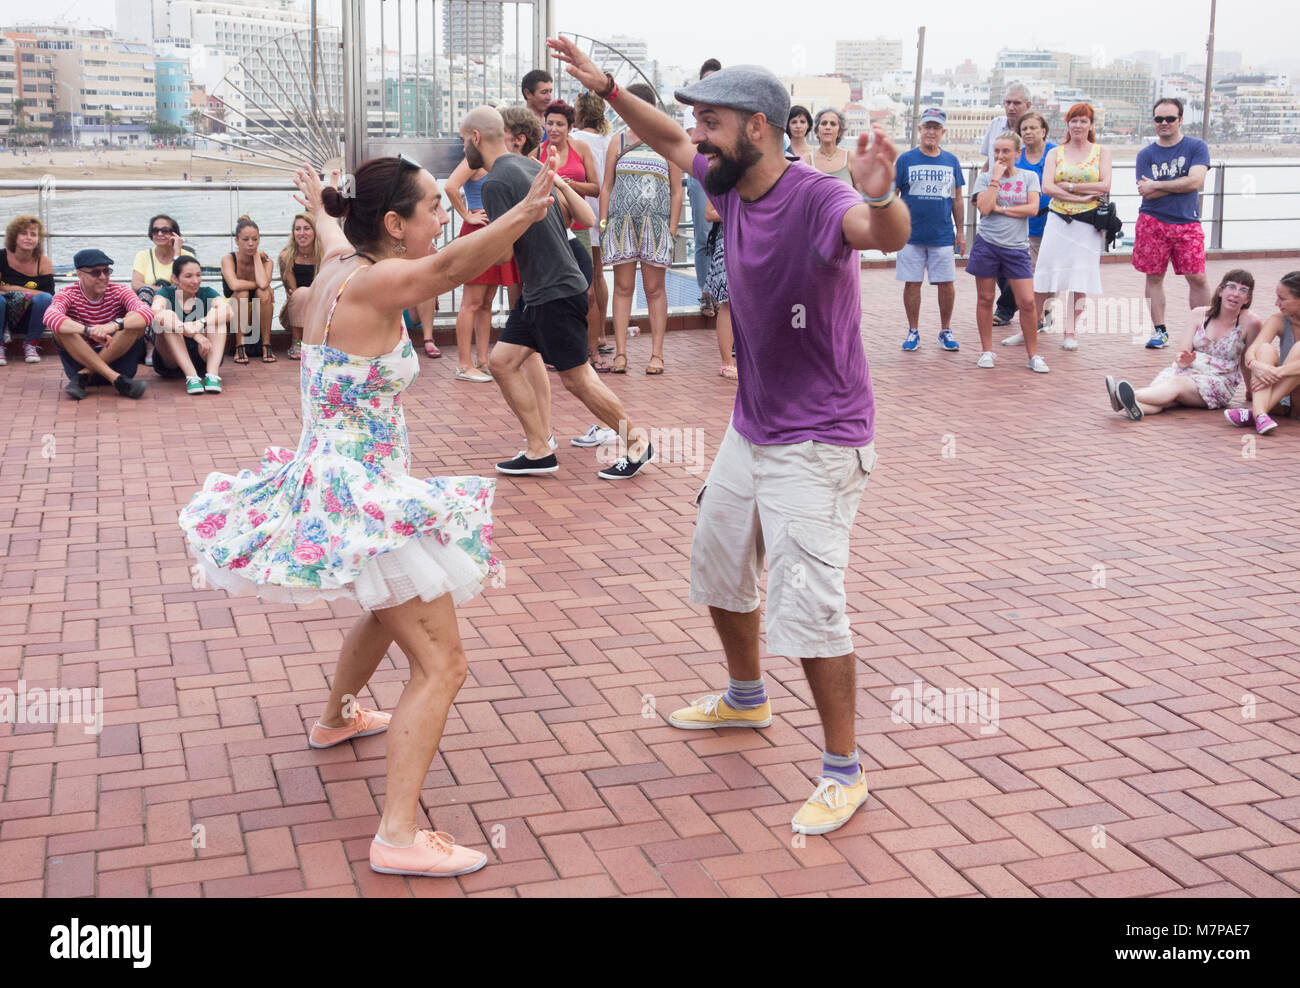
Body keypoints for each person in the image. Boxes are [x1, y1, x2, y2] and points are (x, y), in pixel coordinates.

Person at [550, 39, 910, 835]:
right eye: (696, 122)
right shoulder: (730, 180)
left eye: (711, 123)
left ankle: (844, 771)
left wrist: (882, 198)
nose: (696, 137)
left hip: (819, 440)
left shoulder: (816, 198)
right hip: (753, 427)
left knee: (811, 607)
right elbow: (664, 139)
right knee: (718, 565)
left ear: (757, 127)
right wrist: (608, 88)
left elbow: (877, 233)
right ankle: (748, 701)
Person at [180, 153, 560, 878]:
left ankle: (337, 718)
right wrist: (522, 214)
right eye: (431, 209)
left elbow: (331, 230)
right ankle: (396, 835)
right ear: (394, 224)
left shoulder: (337, 266)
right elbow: (448, 270)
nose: (441, 216)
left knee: (383, 604)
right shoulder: (381, 280)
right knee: (443, 663)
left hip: (336, 478)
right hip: (360, 493)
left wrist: (318, 202)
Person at [464, 105, 655, 480]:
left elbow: (503, 250)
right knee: (502, 362)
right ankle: (539, 450)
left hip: (555, 288)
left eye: (462, 140)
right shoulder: (529, 166)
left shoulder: (496, 183)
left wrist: (465, 256)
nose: (463, 149)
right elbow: (580, 218)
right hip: (542, 288)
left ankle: (637, 443)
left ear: (475, 138)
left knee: (576, 379)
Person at [600, 83, 682, 376]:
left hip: (656, 227)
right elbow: (607, 186)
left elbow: (676, 190)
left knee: (654, 289)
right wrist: (603, 222)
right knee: (623, 288)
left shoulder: (667, 142)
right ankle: (620, 353)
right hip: (622, 225)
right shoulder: (618, 141)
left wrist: (672, 228)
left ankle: (656, 354)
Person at [1106, 269, 1260, 422]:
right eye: (1231, 287)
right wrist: (1183, 360)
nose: (1235, 293)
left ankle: (1128, 394)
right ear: (1220, 291)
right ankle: (1129, 403)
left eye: (1243, 290)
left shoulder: (1251, 323)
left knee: (1175, 385)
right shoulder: (1198, 314)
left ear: (1247, 299)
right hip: (1185, 369)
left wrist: (1250, 390)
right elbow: (1182, 352)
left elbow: (1247, 360)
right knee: (1164, 399)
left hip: (1218, 381)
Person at [1134, 97, 1211, 349]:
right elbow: (1147, 193)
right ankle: (1160, 331)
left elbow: (1195, 181)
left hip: (1187, 223)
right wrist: (1179, 183)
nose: (1164, 123)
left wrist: (1157, 184)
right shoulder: (1146, 154)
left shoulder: (1196, 147)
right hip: (1152, 222)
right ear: (1154, 121)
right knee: (1154, 277)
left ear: (1180, 120)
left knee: (1197, 277)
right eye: (1159, 119)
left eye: (1169, 118)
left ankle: (1203, 330)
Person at [1032, 103, 1110, 351]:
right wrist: (1079, 197)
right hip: (1058, 219)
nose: (1078, 125)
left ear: (1091, 125)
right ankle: (1035, 323)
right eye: (1074, 120)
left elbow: (1105, 185)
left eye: (1083, 121)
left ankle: (1070, 332)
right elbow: (1047, 187)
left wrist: (1071, 187)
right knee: (1044, 271)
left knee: (1080, 276)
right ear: (1067, 124)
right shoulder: (1056, 152)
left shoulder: (1101, 152)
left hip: (1087, 224)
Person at [968, 132, 1046, 372]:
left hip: (1017, 247)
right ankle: (987, 351)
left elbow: (1033, 209)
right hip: (988, 244)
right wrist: (994, 180)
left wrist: (1000, 208)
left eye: (1006, 152)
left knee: (1027, 301)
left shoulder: (1029, 176)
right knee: (986, 298)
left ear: (1017, 153)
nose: (1001, 157)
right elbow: (983, 207)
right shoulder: (984, 178)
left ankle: (1033, 355)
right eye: (997, 152)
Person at [895, 107, 964, 353]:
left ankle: (945, 330)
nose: (931, 132)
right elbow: (893, 197)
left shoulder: (951, 161)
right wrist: (891, 230)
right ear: (919, 129)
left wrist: (961, 231)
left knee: (946, 284)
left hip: (943, 235)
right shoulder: (905, 160)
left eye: (936, 127)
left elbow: (957, 199)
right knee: (912, 284)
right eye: (928, 127)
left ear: (943, 131)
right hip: (910, 235)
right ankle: (913, 330)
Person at [444, 152, 519, 382]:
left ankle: (483, 361)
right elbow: (450, 187)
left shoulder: (500, 158)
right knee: (472, 301)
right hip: (479, 230)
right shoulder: (474, 159)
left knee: (486, 302)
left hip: (497, 231)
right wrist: (467, 215)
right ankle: (464, 364)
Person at [44, 248, 154, 400]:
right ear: (79, 274)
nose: (103, 277)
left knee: (135, 321)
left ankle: (86, 374)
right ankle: (116, 380)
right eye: (96, 272)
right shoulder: (66, 294)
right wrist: (88, 331)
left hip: (100, 369)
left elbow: (147, 313)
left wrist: (113, 326)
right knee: (60, 329)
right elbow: (49, 316)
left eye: (107, 271)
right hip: (82, 361)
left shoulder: (120, 290)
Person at [1001, 111, 1056, 346]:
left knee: (1052, 271)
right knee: (1030, 273)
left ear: (1043, 130)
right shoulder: (1018, 157)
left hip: (1056, 223)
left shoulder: (1054, 153)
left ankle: (1044, 313)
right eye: (1024, 129)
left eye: (1034, 128)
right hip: (1025, 225)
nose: (1029, 133)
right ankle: (1036, 318)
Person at [981, 83, 1032, 327]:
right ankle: (1008, 306)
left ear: (1027, 106)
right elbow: (987, 161)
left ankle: (1006, 308)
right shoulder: (995, 125)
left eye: (1017, 103)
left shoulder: (1032, 128)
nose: (1011, 107)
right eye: (1008, 102)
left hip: (1021, 197)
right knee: (994, 252)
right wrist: (982, 188)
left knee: (1019, 256)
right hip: (992, 193)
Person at [569, 91, 614, 366]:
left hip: (582, 209)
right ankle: (602, 334)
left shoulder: (576, 141)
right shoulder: (610, 141)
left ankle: (587, 335)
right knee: (599, 274)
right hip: (605, 210)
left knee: (585, 276)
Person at [1228, 271, 1300, 434]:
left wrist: (1278, 371)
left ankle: (1255, 413)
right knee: (1264, 349)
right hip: (1283, 400)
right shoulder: (1279, 320)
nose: (1277, 303)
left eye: (1282, 299)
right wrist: (1256, 365)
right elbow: (1252, 351)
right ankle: (1260, 414)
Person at [150, 254, 230, 393]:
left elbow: (228, 310)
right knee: (167, 318)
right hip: (171, 363)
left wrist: (201, 322)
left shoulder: (206, 292)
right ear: (175, 278)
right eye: (188, 276)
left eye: (198, 275)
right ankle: (191, 377)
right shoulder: (166, 293)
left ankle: (212, 375)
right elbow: (155, 312)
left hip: (203, 358)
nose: (195, 281)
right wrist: (194, 334)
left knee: (218, 318)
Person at [684, 59, 721, 315]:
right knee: (702, 235)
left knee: (722, 235)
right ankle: (705, 293)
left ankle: (721, 290)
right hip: (700, 175)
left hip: (724, 174)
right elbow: (695, 142)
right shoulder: (691, 110)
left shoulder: (727, 109)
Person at [0, 213, 54, 366]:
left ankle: (31, 344)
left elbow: (48, 295)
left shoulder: (43, 262)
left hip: (29, 318)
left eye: (33, 234)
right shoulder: (1, 257)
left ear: (38, 239)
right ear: (13, 237)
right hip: (3, 318)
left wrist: (16, 289)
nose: (28, 237)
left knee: (45, 299)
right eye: (23, 233)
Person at [221, 215, 276, 363]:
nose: (251, 244)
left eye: (255, 239)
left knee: (264, 293)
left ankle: (266, 345)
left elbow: (263, 285)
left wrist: (257, 256)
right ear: (237, 241)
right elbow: (234, 285)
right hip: (234, 301)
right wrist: (258, 284)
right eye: (245, 240)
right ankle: (240, 346)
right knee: (242, 292)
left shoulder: (267, 261)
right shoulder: (228, 259)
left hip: (259, 301)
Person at [277, 212, 322, 360]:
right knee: (302, 293)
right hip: (295, 313)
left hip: (320, 309)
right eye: (298, 229)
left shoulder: (325, 254)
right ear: (293, 232)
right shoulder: (286, 257)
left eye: (307, 228)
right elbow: (291, 293)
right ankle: (296, 342)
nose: (302, 233)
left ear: (315, 231)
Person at [702, 200, 737, 380]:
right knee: (728, 302)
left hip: (760, 240)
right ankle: (727, 362)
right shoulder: (723, 172)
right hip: (729, 241)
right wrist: (744, 214)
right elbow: (710, 213)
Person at [804, 108, 852, 184]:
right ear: (817, 130)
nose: (828, 127)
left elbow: (858, 193)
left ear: (840, 131)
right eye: (824, 123)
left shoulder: (850, 157)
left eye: (833, 124)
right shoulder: (806, 161)